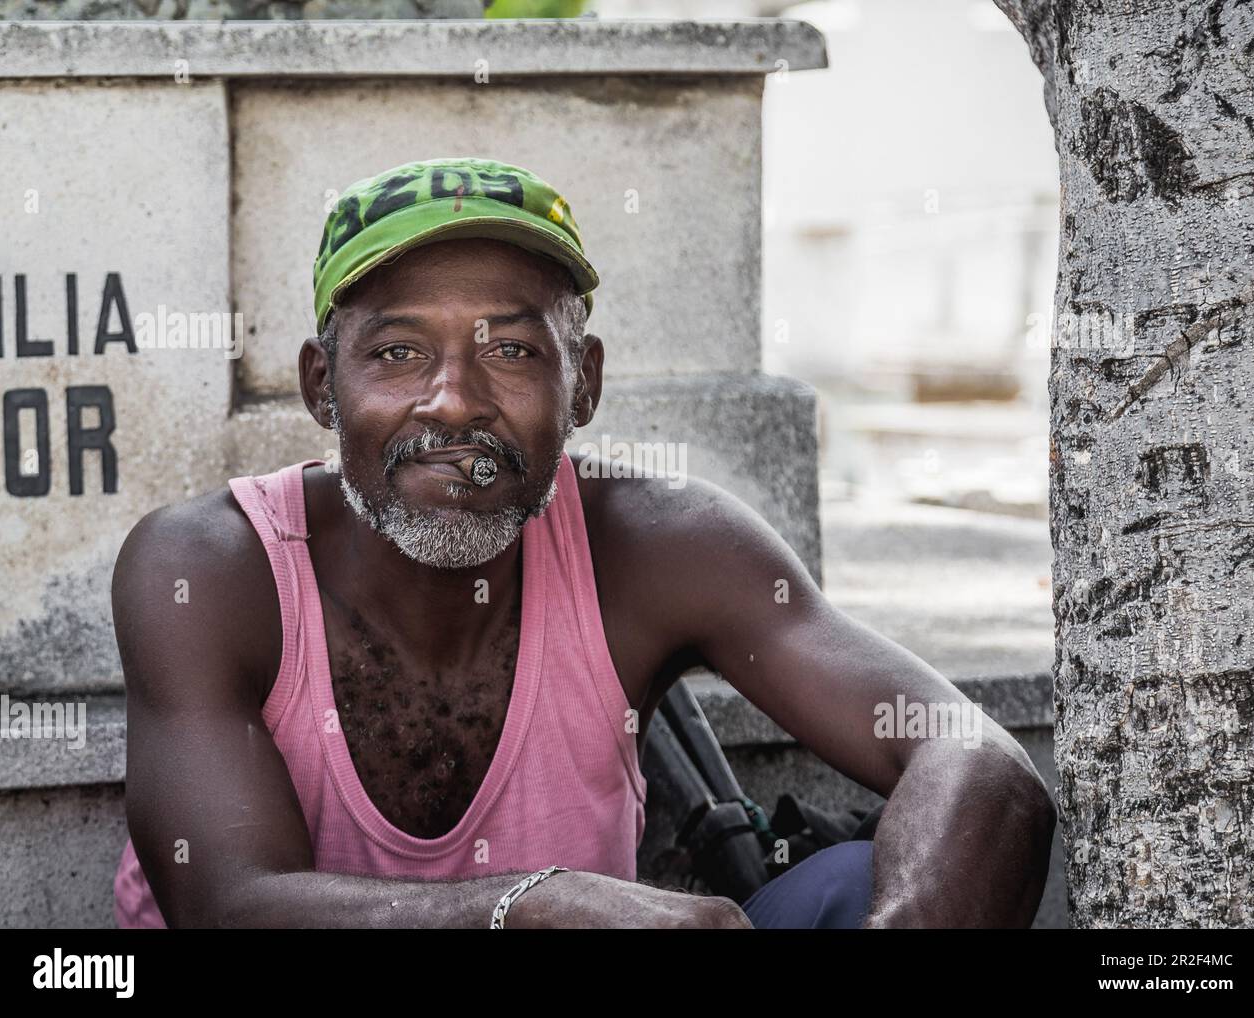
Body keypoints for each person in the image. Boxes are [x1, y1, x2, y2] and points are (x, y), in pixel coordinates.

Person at [111, 157, 1056, 929]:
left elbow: (967, 754)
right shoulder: (208, 568)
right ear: (322, 386)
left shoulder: (660, 545)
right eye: (398, 352)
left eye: (511, 350)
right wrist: (528, 907)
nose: (454, 399)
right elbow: (228, 905)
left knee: (850, 887)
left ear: (586, 385)